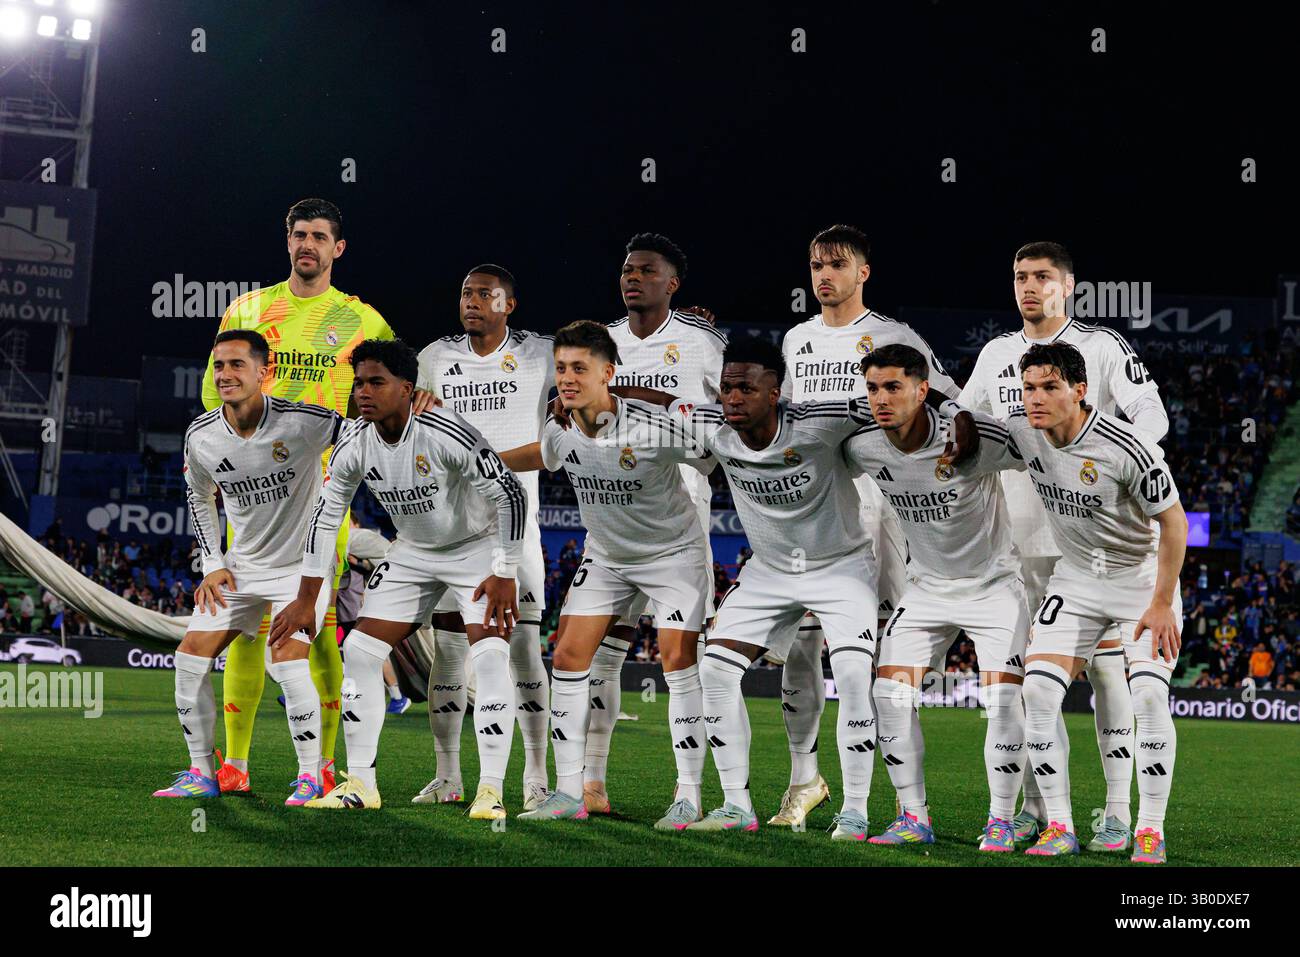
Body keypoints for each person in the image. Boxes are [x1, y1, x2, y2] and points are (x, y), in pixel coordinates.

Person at [197, 198, 434, 796]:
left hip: (328, 489)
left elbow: (400, 380)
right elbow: (214, 396)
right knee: (246, 627)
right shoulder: (247, 309)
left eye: (320, 236)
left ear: (338, 249)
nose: (308, 244)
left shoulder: (364, 320)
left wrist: (420, 396)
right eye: (299, 234)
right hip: (258, 499)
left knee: (318, 628)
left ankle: (323, 766)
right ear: (288, 243)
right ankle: (236, 766)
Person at [645, 337, 915, 837]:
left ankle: (854, 809)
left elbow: (892, 403)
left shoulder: (819, 420)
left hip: (840, 567)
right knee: (716, 672)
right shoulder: (714, 426)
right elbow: (660, 401)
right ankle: (735, 806)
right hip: (768, 571)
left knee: (854, 677)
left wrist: (952, 415)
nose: (732, 398)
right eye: (726, 388)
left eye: (746, 388)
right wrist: (600, 393)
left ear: (776, 392)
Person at [959, 241, 1169, 852]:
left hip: (1095, 547)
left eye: (1043, 277)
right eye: (1021, 276)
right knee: (1034, 680)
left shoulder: (1102, 347)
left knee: (1109, 676)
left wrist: (1114, 462)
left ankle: (1115, 808)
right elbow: (966, 424)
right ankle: (1037, 808)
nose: (1030, 287)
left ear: (1068, 285)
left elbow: (1149, 413)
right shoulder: (998, 354)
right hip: (1017, 542)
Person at [769, 224, 978, 827]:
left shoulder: (892, 336)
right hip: (811, 507)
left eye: (836, 264)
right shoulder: (797, 339)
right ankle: (804, 780)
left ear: (864, 272)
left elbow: (952, 400)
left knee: (879, 653)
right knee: (801, 645)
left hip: (878, 507)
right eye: (814, 264)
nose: (823, 275)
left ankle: (899, 801)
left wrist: (949, 451)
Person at [272, 338, 525, 817]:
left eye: (376, 382)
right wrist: (308, 598)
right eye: (359, 382)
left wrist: (504, 571)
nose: (363, 392)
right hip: (412, 552)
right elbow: (326, 518)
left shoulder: (445, 430)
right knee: (360, 650)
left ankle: (490, 790)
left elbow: (510, 493)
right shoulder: (353, 439)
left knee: (490, 658)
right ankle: (360, 785)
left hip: (476, 548)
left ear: (408, 389)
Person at [498, 320, 715, 828]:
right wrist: (483, 462)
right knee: (569, 657)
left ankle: (689, 793)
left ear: (608, 373)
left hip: (673, 554)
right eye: (560, 369)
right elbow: (545, 456)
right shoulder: (559, 425)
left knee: (678, 660)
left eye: (579, 368)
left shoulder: (654, 426)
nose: (566, 379)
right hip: (609, 556)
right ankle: (570, 791)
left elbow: (714, 459)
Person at [840, 344, 1030, 850]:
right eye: (873, 388)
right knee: (889, 696)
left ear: (923, 390)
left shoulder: (973, 436)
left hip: (994, 589)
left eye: (894, 387)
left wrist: (960, 412)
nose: (881, 399)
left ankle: (1003, 820)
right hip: (925, 590)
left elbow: (1038, 444)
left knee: (1004, 702)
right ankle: (913, 816)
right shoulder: (864, 447)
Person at [1003, 342, 1186, 863]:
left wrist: (1161, 603)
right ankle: (1058, 825)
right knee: (1036, 692)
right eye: (1029, 387)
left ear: (1080, 391)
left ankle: (1149, 829)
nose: (1035, 398)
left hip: (1141, 582)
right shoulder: (1023, 432)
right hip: (1076, 580)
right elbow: (971, 432)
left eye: (1049, 387)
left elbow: (1173, 523)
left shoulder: (1128, 447)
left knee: (1148, 698)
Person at [152, 330, 345, 805]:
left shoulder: (303, 422)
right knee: (189, 658)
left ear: (265, 371)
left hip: (303, 570)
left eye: (237, 365)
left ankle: (313, 775)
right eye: (219, 366)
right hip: (241, 569)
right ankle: (202, 771)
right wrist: (212, 563)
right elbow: (197, 496)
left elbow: (364, 437)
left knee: (286, 665)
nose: (225, 375)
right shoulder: (202, 435)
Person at [579, 232, 725, 816]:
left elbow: (721, 420)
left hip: (677, 518)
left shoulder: (701, 342)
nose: (631, 277)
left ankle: (687, 794)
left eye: (646, 269)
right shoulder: (601, 342)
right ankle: (591, 784)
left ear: (674, 282)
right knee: (600, 656)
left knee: (679, 660)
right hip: (612, 517)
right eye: (625, 269)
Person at [412, 264, 555, 811]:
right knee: (448, 650)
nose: (472, 301)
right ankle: (448, 777)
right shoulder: (434, 357)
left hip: (514, 528)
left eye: (484, 294)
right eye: (465, 293)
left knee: (522, 650)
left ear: (509, 304)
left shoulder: (541, 352)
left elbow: (608, 348)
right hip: (449, 529)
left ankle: (536, 777)